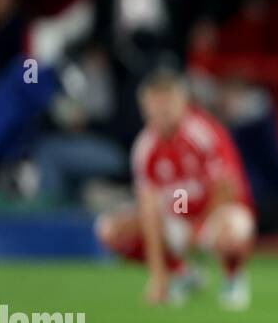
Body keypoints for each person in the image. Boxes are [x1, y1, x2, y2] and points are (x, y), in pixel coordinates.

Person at [95, 68, 256, 309]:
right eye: (155, 104)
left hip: (212, 217)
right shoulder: (145, 147)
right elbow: (149, 209)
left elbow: (227, 187)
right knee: (109, 230)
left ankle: (232, 277)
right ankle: (182, 274)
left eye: (167, 103)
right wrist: (157, 277)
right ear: (144, 107)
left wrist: (199, 228)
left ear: (182, 102)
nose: (161, 111)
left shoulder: (203, 132)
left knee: (234, 232)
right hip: (176, 224)